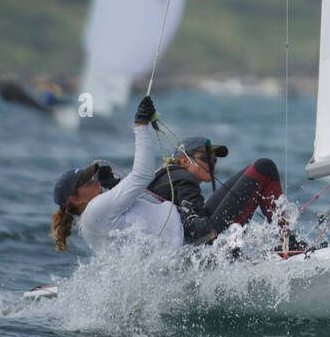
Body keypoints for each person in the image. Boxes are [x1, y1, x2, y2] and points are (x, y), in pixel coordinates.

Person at [50, 96, 303, 254]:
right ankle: (288, 247)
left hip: (188, 238)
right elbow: (142, 175)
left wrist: (113, 184)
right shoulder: (95, 211)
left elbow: (138, 207)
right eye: (87, 180)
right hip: (194, 239)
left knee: (259, 171)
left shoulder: (94, 219)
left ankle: (279, 246)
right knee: (264, 168)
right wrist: (141, 125)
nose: (93, 181)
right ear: (74, 199)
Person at [147, 137, 303, 247]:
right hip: (200, 249)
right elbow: (198, 230)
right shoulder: (182, 177)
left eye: (214, 161)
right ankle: (287, 243)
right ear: (184, 160)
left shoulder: (166, 178)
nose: (212, 165)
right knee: (265, 167)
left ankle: (283, 243)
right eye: (205, 158)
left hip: (186, 246)